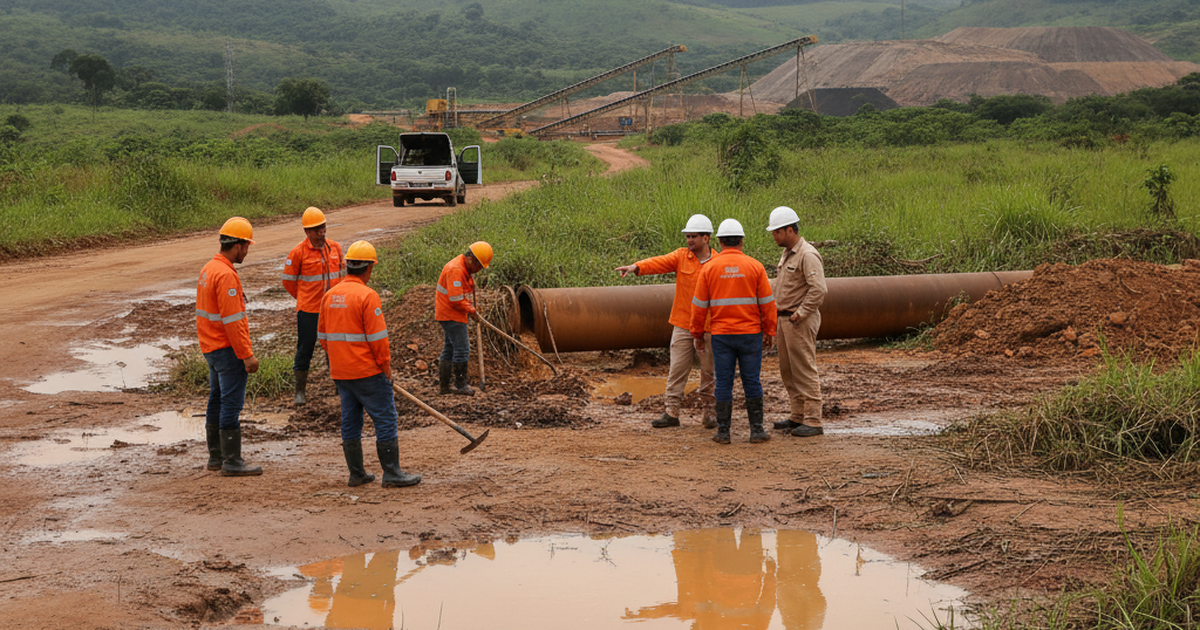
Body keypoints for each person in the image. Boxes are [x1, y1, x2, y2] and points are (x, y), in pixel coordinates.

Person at [318, 240, 421, 488]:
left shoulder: (329, 295)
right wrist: (386, 369)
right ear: (369, 268)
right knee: (385, 419)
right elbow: (378, 341)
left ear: (347, 266)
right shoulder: (367, 296)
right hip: (368, 373)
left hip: (341, 373)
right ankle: (392, 473)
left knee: (350, 421)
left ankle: (357, 474)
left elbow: (322, 337)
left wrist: (342, 358)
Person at [616, 214, 718, 429]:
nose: (689, 240)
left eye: (693, 236)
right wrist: (636, 267)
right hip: (683, 324)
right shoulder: (681, 256)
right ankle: (671, 412)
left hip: (709, 327)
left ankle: (710, 412)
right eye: (688, 236)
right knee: (677, 369)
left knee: (709, 372)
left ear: (706, 238)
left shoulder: (718, 262)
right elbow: (659, 262)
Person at [691, 219, 777, 444]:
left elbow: (698, 307)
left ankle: (723, 432)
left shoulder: (709, 268)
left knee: (723, 382)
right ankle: (757, 431)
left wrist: (697, 335)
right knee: (752, 381)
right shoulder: (755, 267)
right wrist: (770, 331)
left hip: (722, 336)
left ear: (719, 242)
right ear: (741, 241)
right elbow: (767, 304)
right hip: (750, 335)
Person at [196, 216, 262, 476]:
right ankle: (232, 462)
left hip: (211, 348)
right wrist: (247, 355)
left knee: (216, 400)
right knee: (230, 405)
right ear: (238, 245)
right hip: (227, 350)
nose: (247, 252)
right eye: (246, 247)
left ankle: (216, 457)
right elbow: (233, 322)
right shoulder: (225, 276)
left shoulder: (208, 269)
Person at [767, 206, 828, 438]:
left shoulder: (807, 255)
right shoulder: (788, 253)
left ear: (790, 230)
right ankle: (798, 415)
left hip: (798, 320)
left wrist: (801, 313)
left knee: (803, 368)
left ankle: (813, 419)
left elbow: (818, 289)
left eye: (777, 232)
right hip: (785, 319)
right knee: (788, 370)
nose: (774, 236)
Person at [281, 206, 346, 405]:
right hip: (309, 311)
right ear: (307, 232)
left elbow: (343, 275)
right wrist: (304, 298)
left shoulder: (335, 248)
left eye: (323, 227)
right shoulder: (298, 252)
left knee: (334, 348)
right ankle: (300, 391)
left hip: (333, 309)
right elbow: (288, 281)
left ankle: (339, 386)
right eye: (317, 229)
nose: (321, 232)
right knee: (305, 349)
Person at [434, 241, 493, 396]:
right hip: (451, 315)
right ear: (471, 260)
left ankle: (445, 387)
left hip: (451, 313)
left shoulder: (462, 267)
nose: (479, 271)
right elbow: (456, 300)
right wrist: (472, 311)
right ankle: (461, 385)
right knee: (462, 349)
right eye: (479, 267)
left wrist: (471, 308)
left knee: (450, 348)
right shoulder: (456, 270)